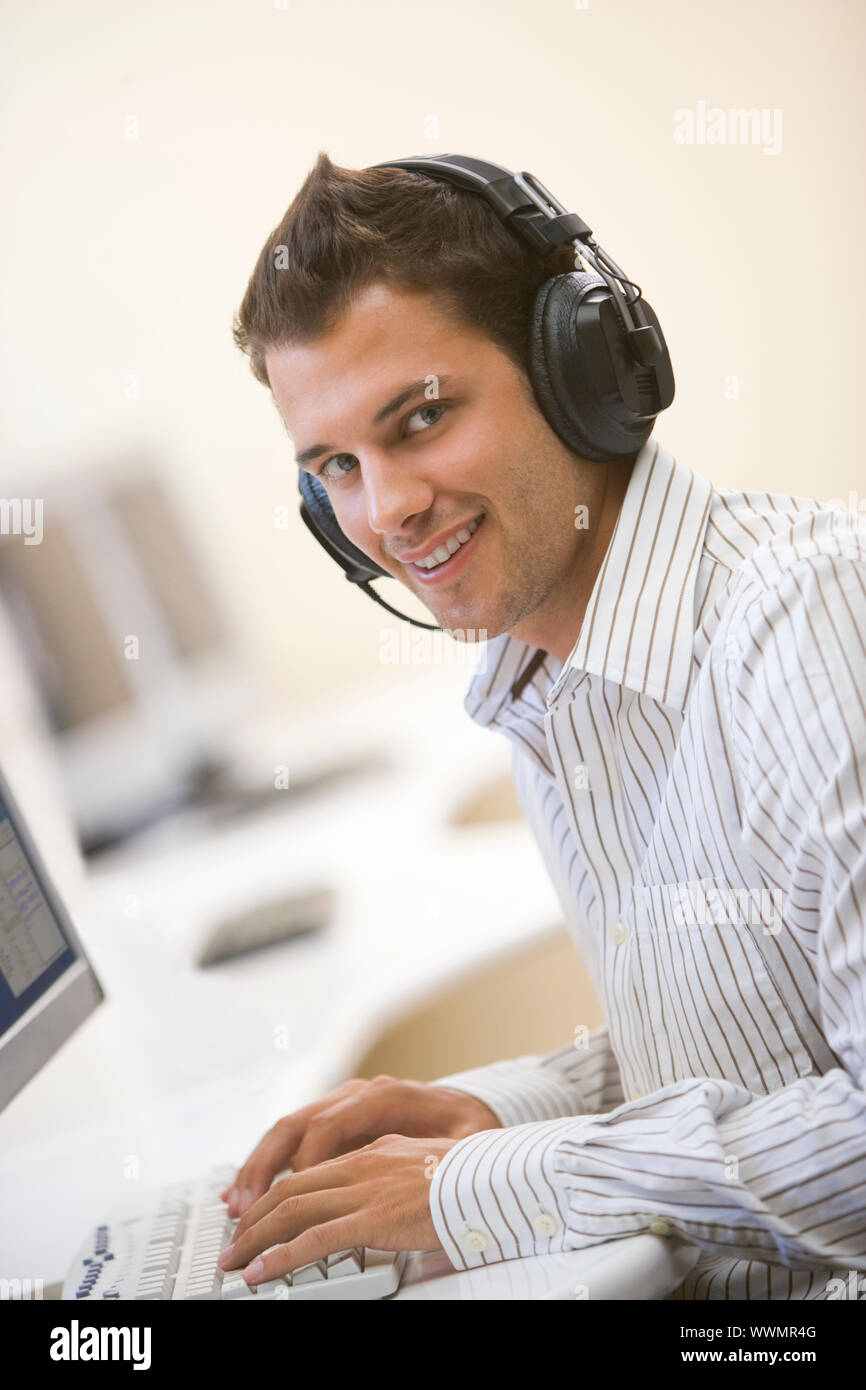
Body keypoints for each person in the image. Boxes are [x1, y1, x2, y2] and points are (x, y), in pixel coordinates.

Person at [218, 152, 866, 1300]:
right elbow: (764, 1050)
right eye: (336, 468)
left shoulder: (800, 620)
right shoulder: (548, 679)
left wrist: (477, 1187)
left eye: (419, 417)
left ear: (578, 364)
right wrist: (501, 1109)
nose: (387, 510)